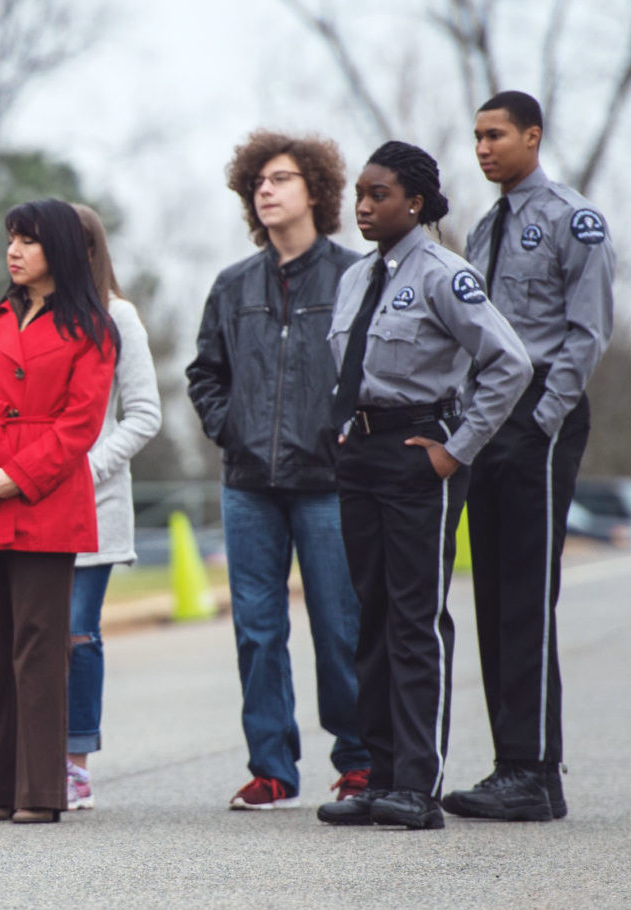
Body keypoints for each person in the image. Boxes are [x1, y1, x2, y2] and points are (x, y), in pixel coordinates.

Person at [313, 142, 531, 831]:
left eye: (379, 195)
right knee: (369, 618)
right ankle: (378, 777)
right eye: (360, 195)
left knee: (414, 619)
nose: (364, 206)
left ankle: (417, 783)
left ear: (415, 202)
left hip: (417, 457)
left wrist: (455, 450)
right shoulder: (356, 277)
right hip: (361, 454)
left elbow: (509, 362)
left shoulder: (444, 274)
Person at [187, 131, 370, 812]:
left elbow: (371, 371)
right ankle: (271, 767)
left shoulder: (355, 276)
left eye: (281, 178)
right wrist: (229, 426)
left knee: (339, 626)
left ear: (316, 191)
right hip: (249, 489)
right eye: (257, 181)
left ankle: (357, 760)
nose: (266, 189)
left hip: (329, 482)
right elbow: (205, 373)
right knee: (257, 631)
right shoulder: (233, 285)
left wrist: (347, 435)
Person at [445, 90, 615, 823]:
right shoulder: (484, 226)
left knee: (526, 593)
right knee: (493, 595)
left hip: (539, 412)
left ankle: (536, 772)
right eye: (476, 136)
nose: (483, 147)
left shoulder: (573, 220)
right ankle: (510, 765)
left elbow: (589, 329)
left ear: (533, 137)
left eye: (496, 135)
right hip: (489, 412)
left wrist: (545, 418)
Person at [0, 199, 115, 824]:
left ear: (57, 249)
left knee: (39, 648)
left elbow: (80, 424)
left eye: (28, 240)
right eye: (11, 238)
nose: (14, 250)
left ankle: (41, 791)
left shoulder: (91, 329)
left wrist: (18, 477)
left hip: (43, 500)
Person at [62, 202, 160, 812]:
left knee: (76, 634)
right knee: (24, 636)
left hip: (91, 506)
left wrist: (85, 468)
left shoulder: (117, 316)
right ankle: (21, 754)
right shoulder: (21, 317)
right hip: (23, 507)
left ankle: (74, 763)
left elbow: (145, 414)